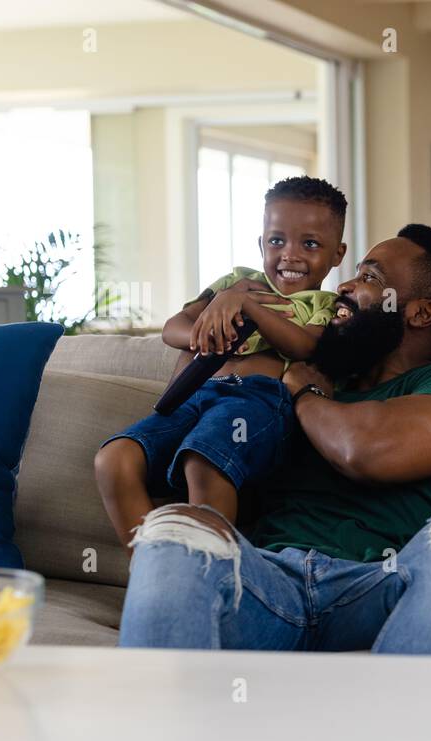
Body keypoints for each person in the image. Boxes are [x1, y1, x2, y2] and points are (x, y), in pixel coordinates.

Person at [117, 224, 431, 655]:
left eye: (370, 279)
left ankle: (406, 714)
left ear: (420, 314)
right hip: (266, 585)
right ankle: (160, 716)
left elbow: (363, 451)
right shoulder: (289, 370)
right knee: (175, 530)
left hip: (382, 587)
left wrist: (304, 392)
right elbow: (202, 404)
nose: (344, 285)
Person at [96, 176, 347, 542]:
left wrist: (245, 304)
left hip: (259, 402)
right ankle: (151, 572)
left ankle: (206, 578)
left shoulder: (328, 306)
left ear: (337, 254)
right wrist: (205, 333)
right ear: (262, 242)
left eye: (309, 244)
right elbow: (173, 328)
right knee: (114, 458)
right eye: (277, 241)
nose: (290, 254)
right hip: (196, 394)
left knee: (203, 460)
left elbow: (304, 347)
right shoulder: (235, 281)